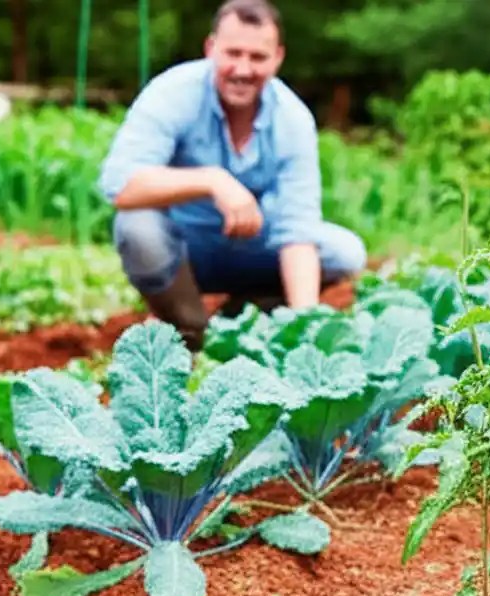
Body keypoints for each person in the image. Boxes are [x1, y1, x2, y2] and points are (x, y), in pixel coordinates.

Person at [97, 0, 366, 351]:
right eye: (233, 53)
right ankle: (186, 328)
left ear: (278, 58)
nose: (243, 68)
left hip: (251, 246)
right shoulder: (173, 93)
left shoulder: (292, 119)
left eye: (257, 57)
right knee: (136, 225)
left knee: (344, 252)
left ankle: (249, 313)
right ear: (211, 49)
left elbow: (297, 230)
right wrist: (212, 179)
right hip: (185, 250)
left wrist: (304, 335)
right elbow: (120, 184)